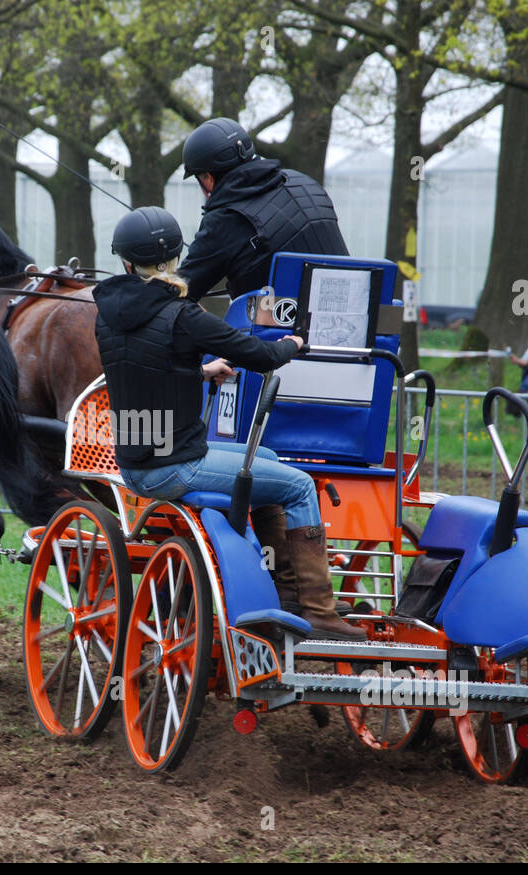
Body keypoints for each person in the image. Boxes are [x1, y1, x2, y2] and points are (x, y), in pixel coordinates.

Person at [93, 206, 366, 641]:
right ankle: (319, 609)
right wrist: (294, 342)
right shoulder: (182, 315)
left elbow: (142, 367)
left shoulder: (108, 314)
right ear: (175, 260)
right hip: (177, 465)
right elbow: (258, 356)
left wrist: (200, 372)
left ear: (126, 262)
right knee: (298, 485)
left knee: (268, 458)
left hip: (134, 464)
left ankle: (286, 591)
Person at [177, 117, 349, 303]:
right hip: (355, 317)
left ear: (208, 178)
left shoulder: (225, 219)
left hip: (279, 328)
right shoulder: (304, 183)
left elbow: (180, 289)